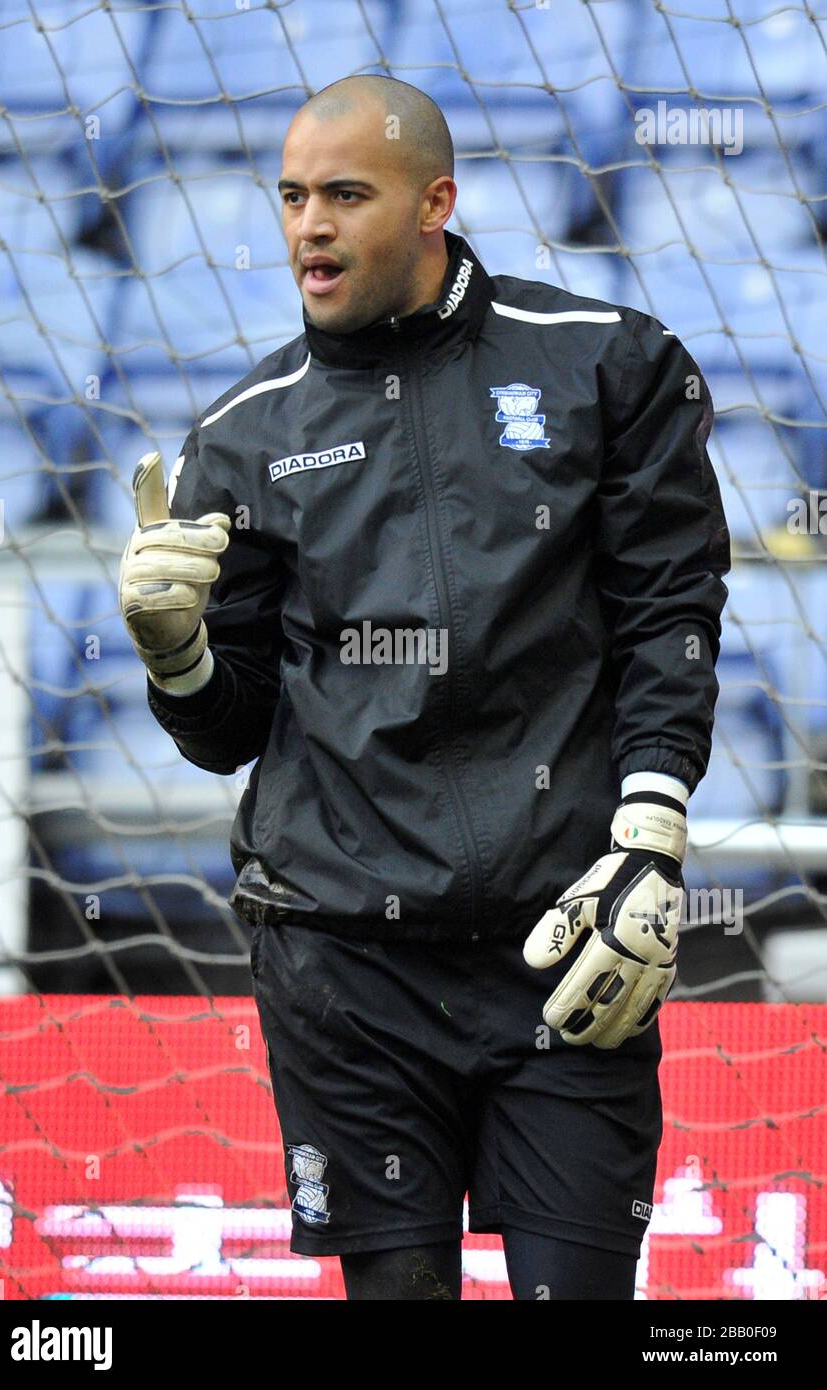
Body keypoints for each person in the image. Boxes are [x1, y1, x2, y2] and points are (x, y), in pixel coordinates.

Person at [119, 74, 731, 1300]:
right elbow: (228, 728)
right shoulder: (239, 437)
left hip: (567, 946)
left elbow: (669, 612)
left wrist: (652, 834)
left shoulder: (606, 366)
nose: (309, 226)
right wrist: (175, 650)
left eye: (345, 195)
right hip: (346, 966)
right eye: (291, 197)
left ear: (435, 203)